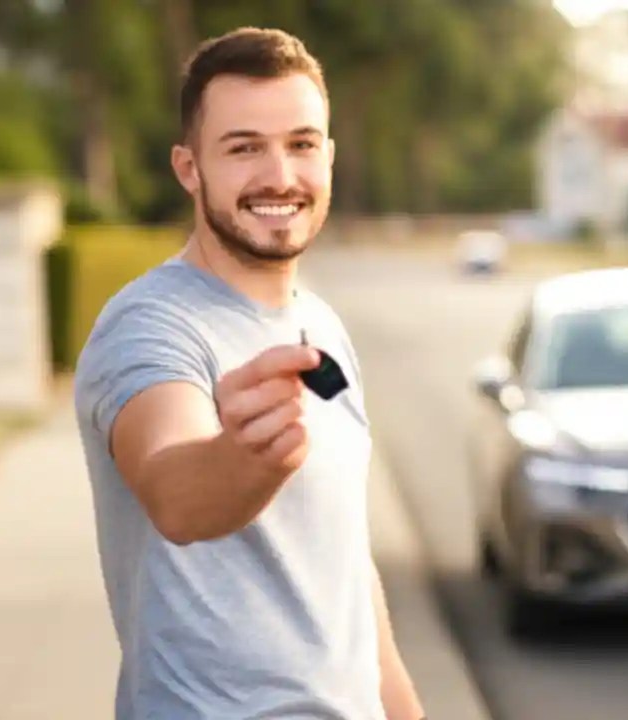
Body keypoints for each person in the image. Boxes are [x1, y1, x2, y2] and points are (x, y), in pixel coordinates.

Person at [73, 27, 425, 720]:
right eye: (243, 148)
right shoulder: (149, 326)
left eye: (300, 145)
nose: (279, 177)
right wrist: (244, 459)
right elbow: (178, 493)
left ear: (327, 157)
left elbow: (344, 566)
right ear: (189, 167)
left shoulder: (320, 324)